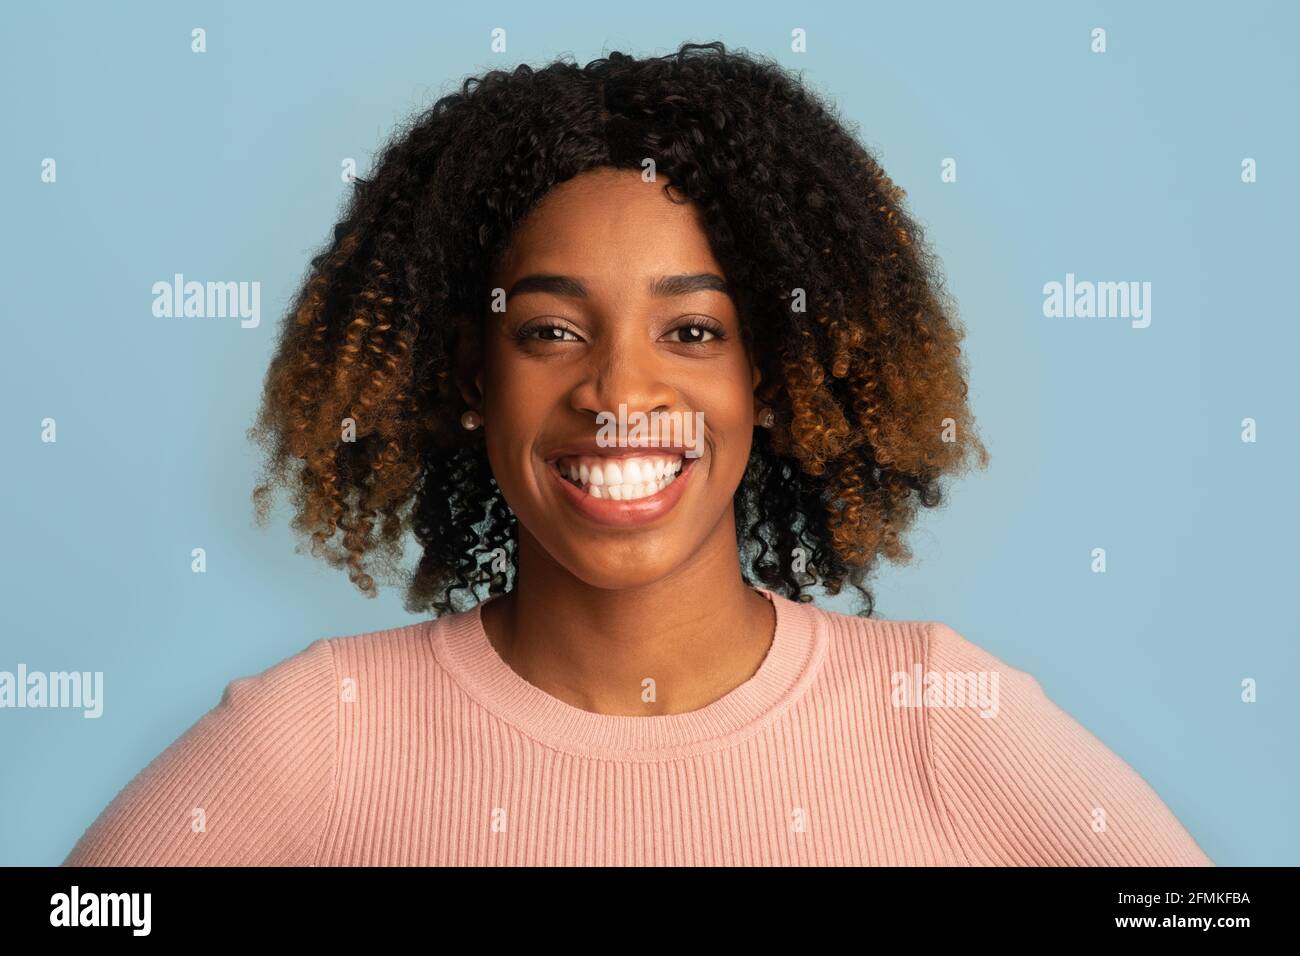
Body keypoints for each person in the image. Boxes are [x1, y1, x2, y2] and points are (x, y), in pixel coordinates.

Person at [64, 41, 1211, 867]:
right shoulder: (313, 735)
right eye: (552, 332)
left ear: (770, 375)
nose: (618, 390)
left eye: (694, 331)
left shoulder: (939, 715)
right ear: (473, 375)